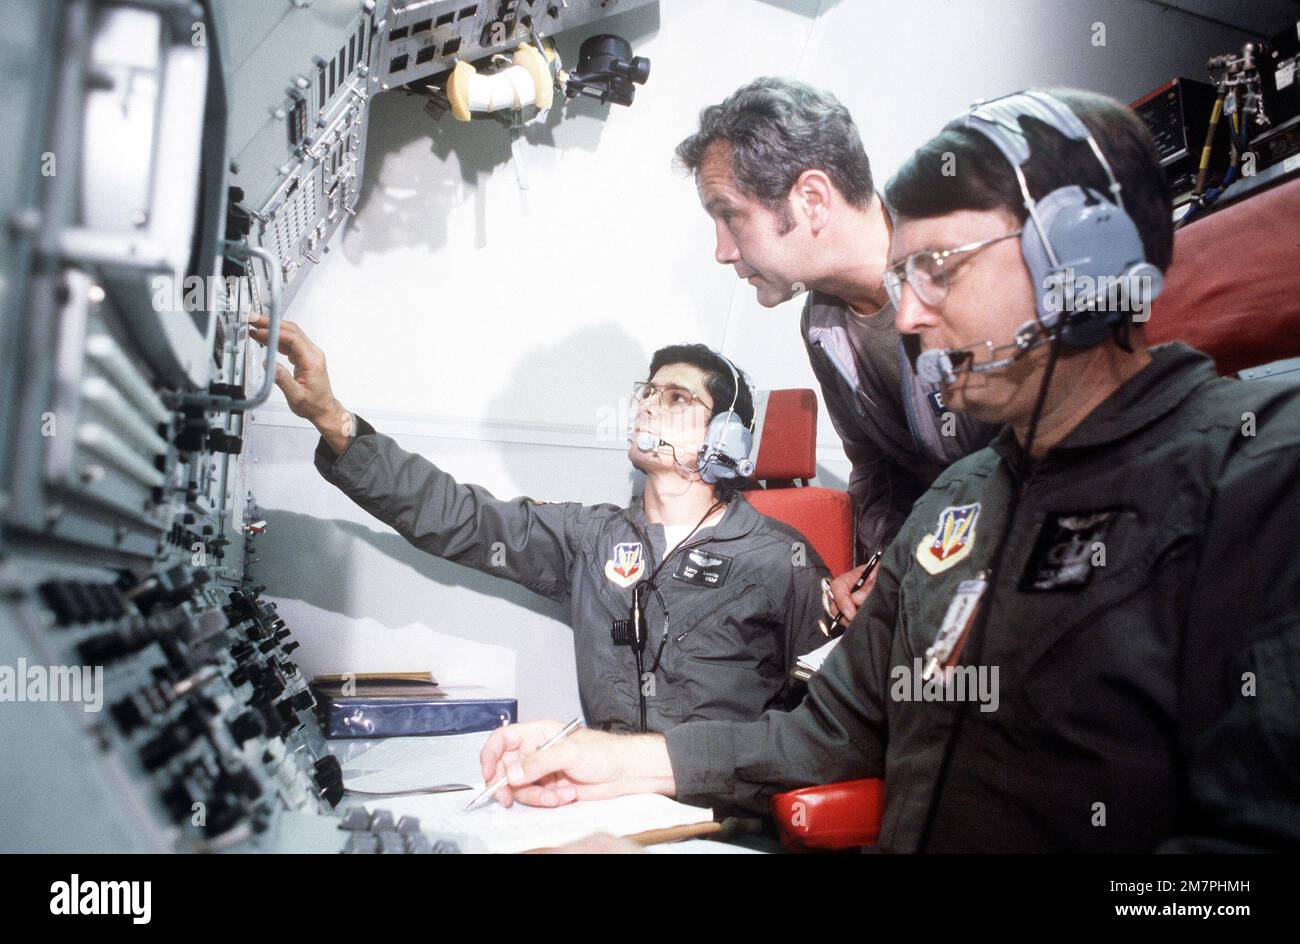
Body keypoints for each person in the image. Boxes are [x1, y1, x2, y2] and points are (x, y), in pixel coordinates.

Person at [476, 88, 1300, 852]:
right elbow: (816, 738)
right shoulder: (954, 504)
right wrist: (601, 760)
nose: (906, 314)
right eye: (904, 274)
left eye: (939, 269)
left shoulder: (1258, 478)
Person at [250, 320, 831, 732]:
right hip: (609, 795)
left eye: (676, 397)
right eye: (647, 391)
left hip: (722, 812)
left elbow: (832, 710)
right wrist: (330, 417)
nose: (649, 404)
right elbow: (460, 518)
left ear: (725, 436)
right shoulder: (591, 538)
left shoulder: (781, 558)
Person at [675, 77, 999, 624]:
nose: (721, 251)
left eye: (729, 216)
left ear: (812, 200)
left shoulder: (974, 263)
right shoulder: (821, 325)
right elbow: (877, 471)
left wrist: (935, 572)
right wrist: (886, 569)